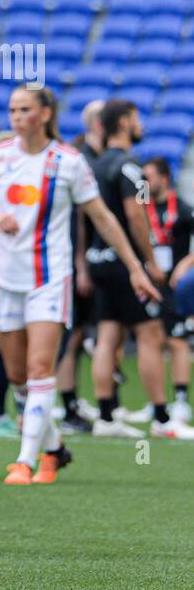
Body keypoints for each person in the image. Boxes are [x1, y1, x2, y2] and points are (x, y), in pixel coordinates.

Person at [0, 87, 161, 485]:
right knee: (16, 374)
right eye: (12, 110)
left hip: (50, 278)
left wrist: (136, 267)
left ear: (45, 114)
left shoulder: (68, 161)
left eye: (24, 109)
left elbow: (102, 217)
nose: (15, 116)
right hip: (2, 278)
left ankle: (25, 461)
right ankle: (54, 449)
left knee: (41, 366)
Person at [83, 100, 194, 439]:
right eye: (136, 118)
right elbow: (136, 214)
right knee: (150, 335)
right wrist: (146, 263)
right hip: (124, 264)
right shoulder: (130, 167)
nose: (140, 124)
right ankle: (162, 419)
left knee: (107, 334)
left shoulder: (95, 165)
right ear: (123, 123)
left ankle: (105, 416)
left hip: (98, 261)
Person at [120, 157, 194, 426]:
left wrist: (184, 265)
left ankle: (182, 401)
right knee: (149, 340)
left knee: (176, 340)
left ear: (164, 178)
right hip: (148, 283)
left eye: (148, 178)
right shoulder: (139, 208)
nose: (144, 183)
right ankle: (155, 402)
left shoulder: (183, 209)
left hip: (174, 286)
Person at [57, 99, 109, 431]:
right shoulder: (80, 158)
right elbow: (77, 219)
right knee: (73, 334)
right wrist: (81, 265)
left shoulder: (97, 158)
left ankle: (88, 405)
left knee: (92, 332)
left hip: (93, 259)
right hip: (78, 261)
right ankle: (68, 405)